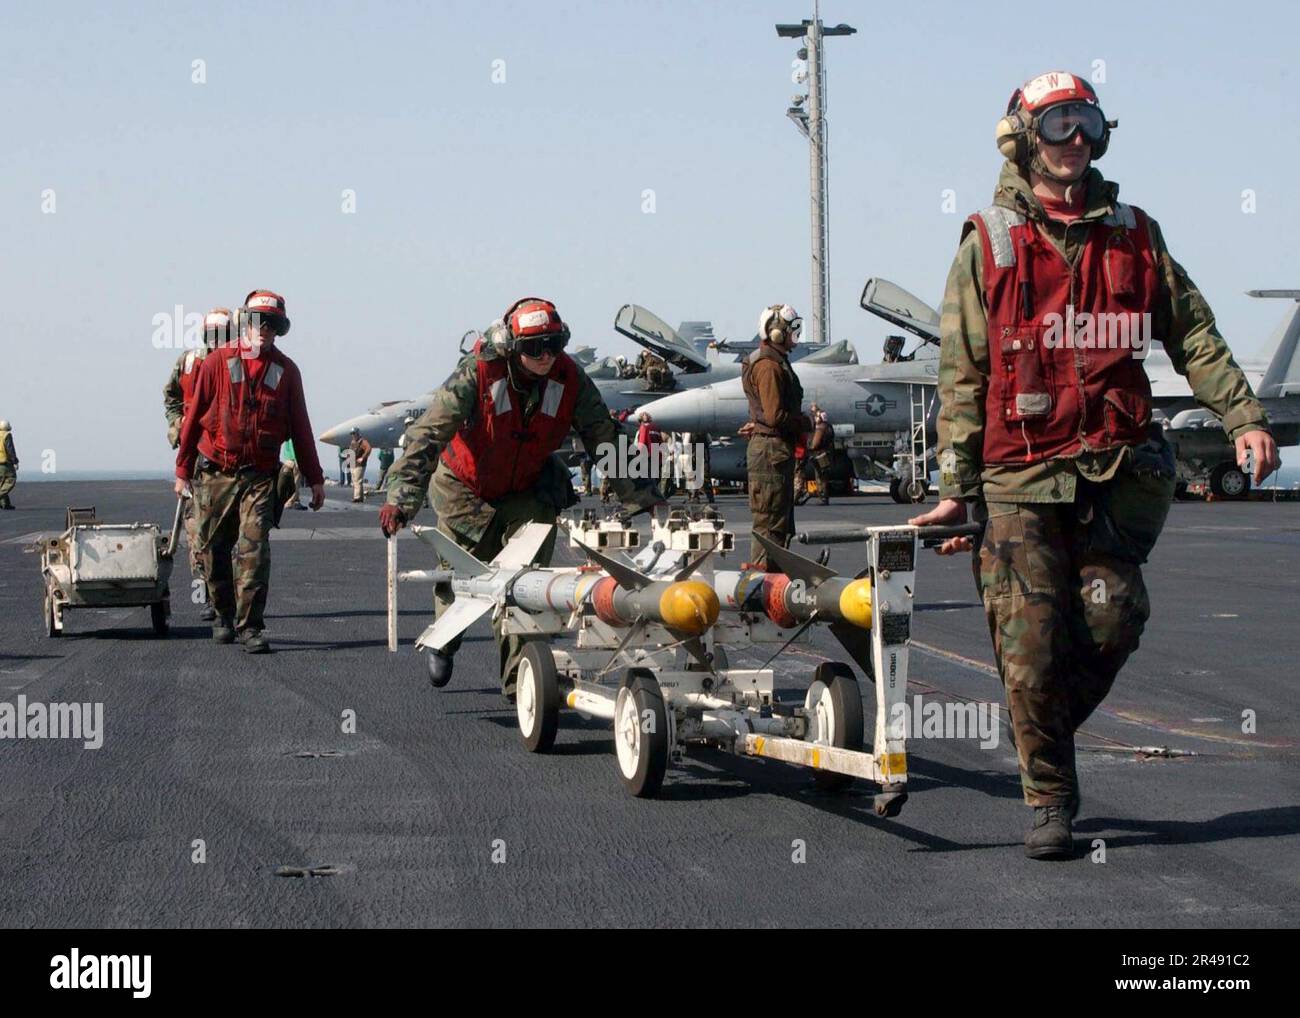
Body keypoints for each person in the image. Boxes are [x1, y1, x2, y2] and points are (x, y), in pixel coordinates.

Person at [910, 71, 1280, 860]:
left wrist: (1243, 415)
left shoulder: (1136, 236)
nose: (1075, 138)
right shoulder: (991, 241)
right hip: (1018, 477)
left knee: (1112, 617)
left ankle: (1035, 728)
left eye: (1087, 122)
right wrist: (955, 490)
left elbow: (1197, 336)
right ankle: (1049, 796)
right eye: (1057, 125)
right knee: (1031, 642)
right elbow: (962, 374)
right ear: (1022, 139)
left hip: (1114, 469)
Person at [380, 297, 661, 690]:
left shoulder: (570, 379)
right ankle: (444, 642)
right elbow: (429, 434)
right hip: (466, 490)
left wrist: (644, 492)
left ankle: (523, 681)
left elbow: (603, 436)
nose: (545, 356)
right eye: (534, 348)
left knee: (526, 585)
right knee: (459, 580)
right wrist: (402, 496)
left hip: (528, 490)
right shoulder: (477, 373)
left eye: (553, 344)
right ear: (513, 347)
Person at [174, 290, 326, 653]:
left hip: (260, 476)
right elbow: (193, 420)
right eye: (258, 322)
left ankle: (250, 627)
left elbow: (301, 427)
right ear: (245, 324)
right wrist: (182, 470)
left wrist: (315, 476)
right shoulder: (215, 365)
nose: (264, 330)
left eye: (271, 324)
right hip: (216, 473)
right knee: (213, 549)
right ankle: (224, 616)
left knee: (254, 548)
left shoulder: (287, 373)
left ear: (278, 330)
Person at [163, 307, 234, 617]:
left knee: (228, 529)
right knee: (195, 528)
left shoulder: (239, 363)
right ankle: (206, 592)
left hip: (227, 455)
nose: (217, 341)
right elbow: (171, 396)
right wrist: (177, 423)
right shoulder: (189, 362)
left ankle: (226, 593)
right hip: (195, 456)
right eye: (213, 335)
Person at [740, 303, 809, 568]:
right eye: (791, 330)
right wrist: (806, 422)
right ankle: (762, 583)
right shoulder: (769, 366)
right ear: (777, 333)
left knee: (777, 520)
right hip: (772, 452)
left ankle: (771, 578)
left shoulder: (771, 361)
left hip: (773, 450)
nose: (795, 335)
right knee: (771, 521)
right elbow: (775, 416)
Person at [807, 402, 832, 505]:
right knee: (824, 476)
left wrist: (809, 448)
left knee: (820, 476)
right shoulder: (828, 427)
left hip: (819, 455)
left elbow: (815, 443)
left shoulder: (820, 429)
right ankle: (824, 497)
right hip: (826, 453)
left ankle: (823, 497)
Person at [279, 439, 306, 510]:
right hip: (294, 460)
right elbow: (294, 446)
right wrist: (297, 459)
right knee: (296, 482)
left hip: (287, 459)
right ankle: (291, 502)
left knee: (290, 482)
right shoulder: (293, 434)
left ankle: (296, 501)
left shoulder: (287, 434)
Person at [348, 428, 372, 503]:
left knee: (357, 481)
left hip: (359, 465)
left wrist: (363, 458)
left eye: (354, 433)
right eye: (352, 434)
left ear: (358, 433)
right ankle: (360, 497)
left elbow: (369, 449)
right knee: (356, 481)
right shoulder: (353, 442)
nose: (353, 435)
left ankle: (357, 497)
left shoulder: (363, 442)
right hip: (353, 464)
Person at [0, 419, 18, 510]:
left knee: (1, 483)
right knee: (11, 479)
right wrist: (15, 461)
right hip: (5, 463)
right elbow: (10, 449)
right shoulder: (6, 435)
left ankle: (5, 504)